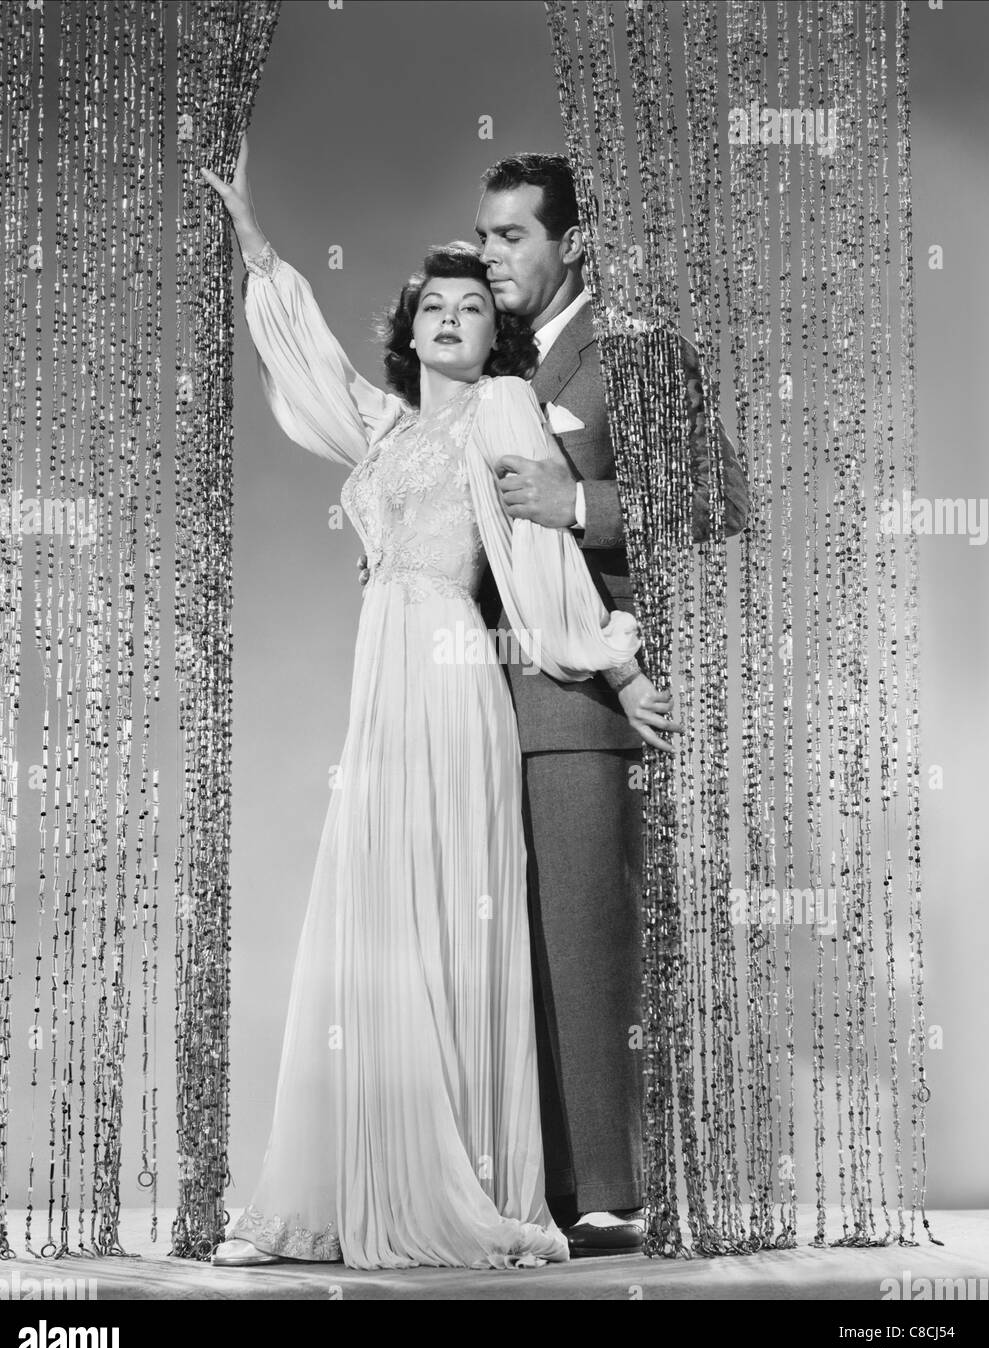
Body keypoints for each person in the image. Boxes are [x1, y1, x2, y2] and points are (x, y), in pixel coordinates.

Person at [199, 134, 680, 1270]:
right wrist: (259, 246)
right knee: (373, 924)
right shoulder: (386, 427)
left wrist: (619, 665)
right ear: (409, 331)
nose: (457, 314)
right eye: (437, 305)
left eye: (477, 298)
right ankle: (365, 1173)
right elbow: (312, 368)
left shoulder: (503, 410)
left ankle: (476, 1178)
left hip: (461, 692)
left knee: (455, 928)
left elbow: (543, 565)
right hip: (380, 698)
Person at [464, 153, 747, 1255]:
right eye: (481, 237)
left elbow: (714, 502)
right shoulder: (485, 356)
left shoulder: (635, 350)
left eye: (509, 237)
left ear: (568, 241)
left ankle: (605, 1196)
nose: (488, 257)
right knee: (507, 952)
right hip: (472, 697)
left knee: (583, 948)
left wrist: (572, 499)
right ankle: (528, 1187)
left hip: (587, 697)